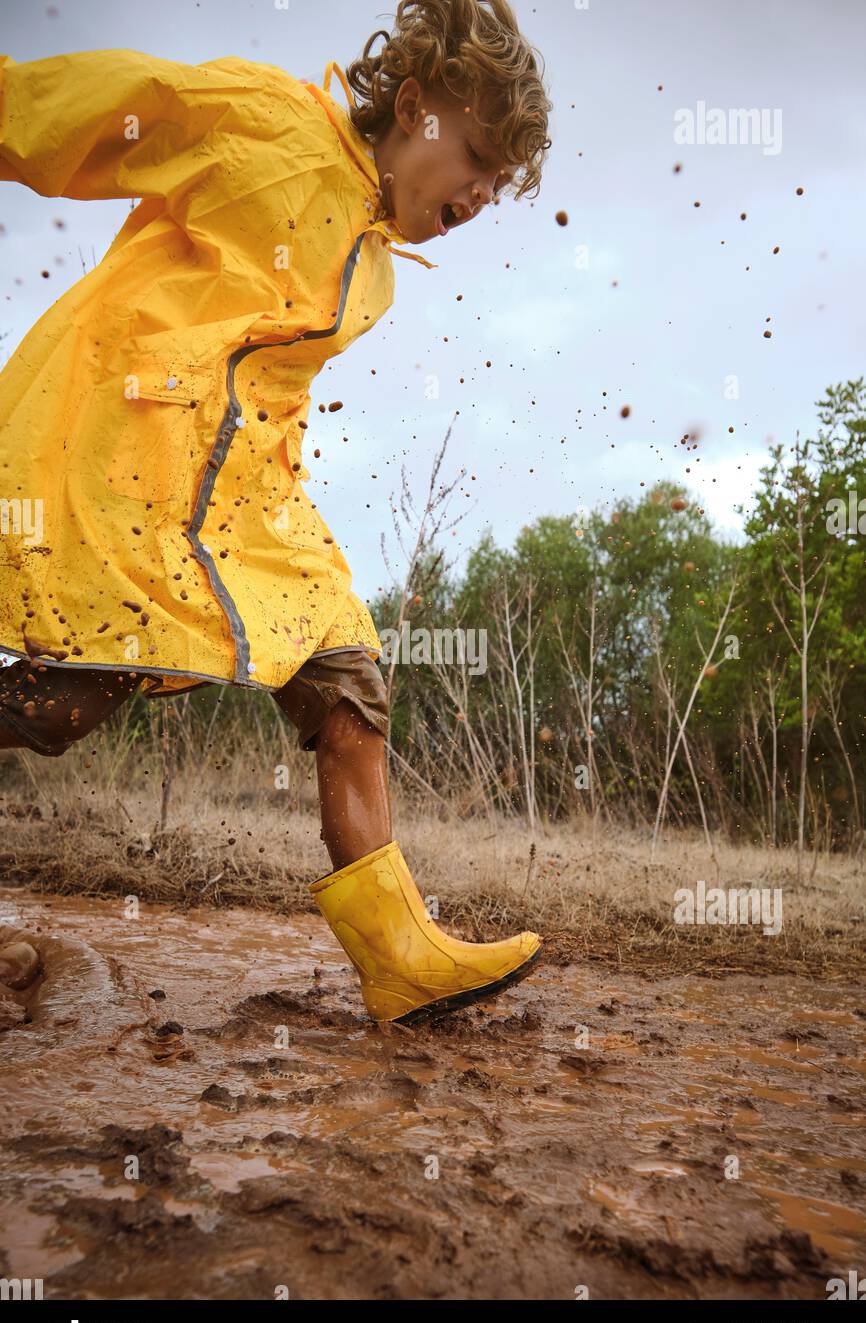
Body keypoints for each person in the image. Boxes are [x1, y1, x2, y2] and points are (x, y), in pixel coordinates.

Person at [0, 0, 552, 1024]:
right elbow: (90, 106)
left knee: (349, 684)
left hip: (253, 506)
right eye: (475, 156)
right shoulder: (266, 123)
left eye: (497, 180)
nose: (480, 191)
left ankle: (398, 956)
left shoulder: (377, 261)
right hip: (130, 466)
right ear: (416, 105)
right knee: (61, 709)